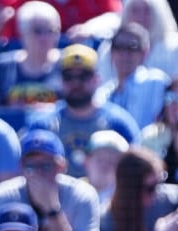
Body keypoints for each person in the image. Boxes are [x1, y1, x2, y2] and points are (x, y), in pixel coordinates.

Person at [0, 128, 100, 231]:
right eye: (30, 167)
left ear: (62, 167)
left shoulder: (82, 195)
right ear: (21, 167)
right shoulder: (2, 196)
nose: (38, 173)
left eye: (46, 166)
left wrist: (52, 210)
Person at [30, 44, 140, 173]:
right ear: (60, 81)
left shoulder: (118, 123)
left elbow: (135, 170)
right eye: (68, 76)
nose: (75, 83)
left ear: (97, 79)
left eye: (83, 76)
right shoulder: (44, 125)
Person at [99, 145, 178, 231]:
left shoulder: (174, 199)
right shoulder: (108, 218)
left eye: (159, 182)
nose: (157, 193)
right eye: (150, 188)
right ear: (130, 190)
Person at [0, 1, 61, 111]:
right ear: (22, 33)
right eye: (37, 31)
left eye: (50, 30)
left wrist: (52, 110)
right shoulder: (4, 65)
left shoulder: (67, 65)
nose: (45, 37)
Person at [95, 21, 169, 129]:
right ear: (111, 52)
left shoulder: (157, 82)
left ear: (145, 52)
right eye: (118, 47)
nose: (124, 54)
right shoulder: (102, 93)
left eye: (132, 47)